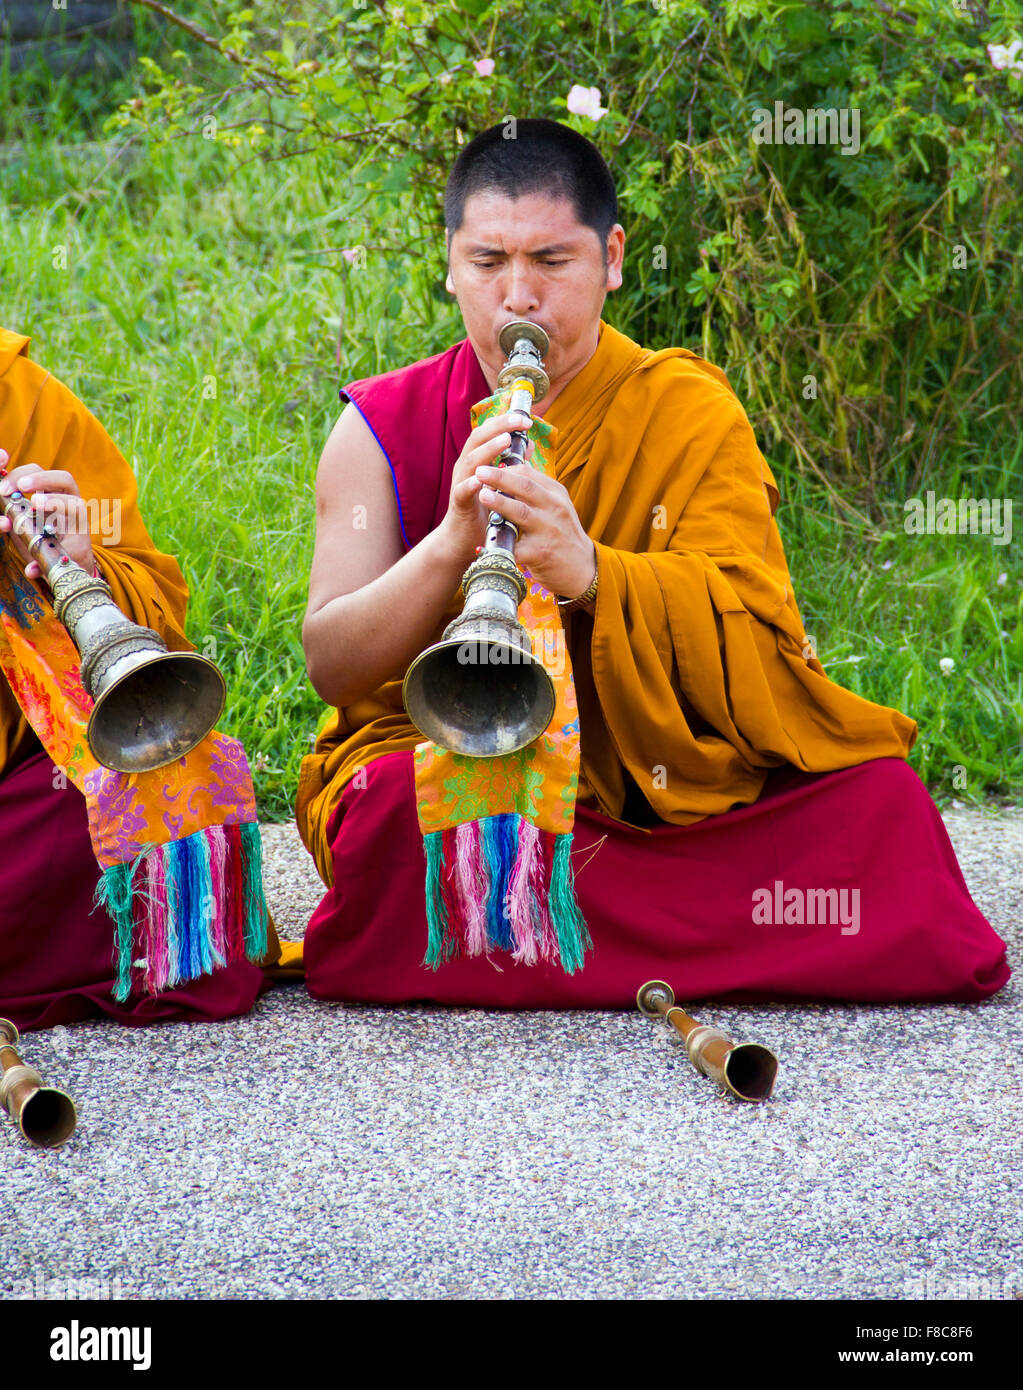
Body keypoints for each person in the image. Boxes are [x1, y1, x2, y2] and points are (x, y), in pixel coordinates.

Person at [292, 118, 1009, 1007]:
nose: (519, 300)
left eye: (552, 262)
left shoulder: (686, 410)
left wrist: (595, 575)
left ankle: (515, 937)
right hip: (478, 768)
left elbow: (754, 637)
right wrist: (450, 541)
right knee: (400, 811)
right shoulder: (379, 426)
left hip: (660, 787)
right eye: (487, 264)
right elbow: (332, 663)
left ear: (613, 258)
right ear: (449, 264)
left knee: (882, 805)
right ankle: (699, 941)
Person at [0, 327, 281, 1031]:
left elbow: (156, 607)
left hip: (19, 778)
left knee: (174, 779)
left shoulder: (16, 395)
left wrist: (86, 567)